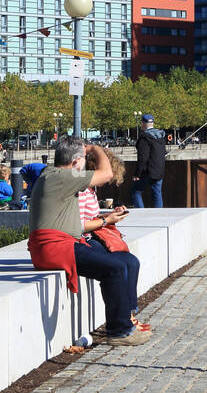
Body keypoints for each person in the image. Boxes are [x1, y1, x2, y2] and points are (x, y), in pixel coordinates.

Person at [26, 135, 150, 347]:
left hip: (59, 244)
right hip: (55, 247)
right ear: (76, 162)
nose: (84, 166)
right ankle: (119, 331)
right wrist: (95, 148)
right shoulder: (63, 177)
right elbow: (106, 173)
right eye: (83, 160)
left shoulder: (53, 176)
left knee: (124, 262)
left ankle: (124, 322)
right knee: (115, 268)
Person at [80, 146, 147, 332]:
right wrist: (106, 220)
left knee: (131, 262)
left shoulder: (90, 189)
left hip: (92, 236)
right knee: (119, 265)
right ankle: (122, 321)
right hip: (83, 240)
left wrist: (110, 215)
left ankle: (130, 313)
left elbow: (92, 217)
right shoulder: (82, 190)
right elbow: (78, 224)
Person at [133, 114, 166, 208]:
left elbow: (143, 158)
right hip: (159, 171)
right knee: (157, 193)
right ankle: (158, 215)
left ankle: (141, 214)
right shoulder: (160, 137)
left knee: (136, 191)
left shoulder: (144, 137)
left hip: (147, 171)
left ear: (143, 123)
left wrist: (137, 173)